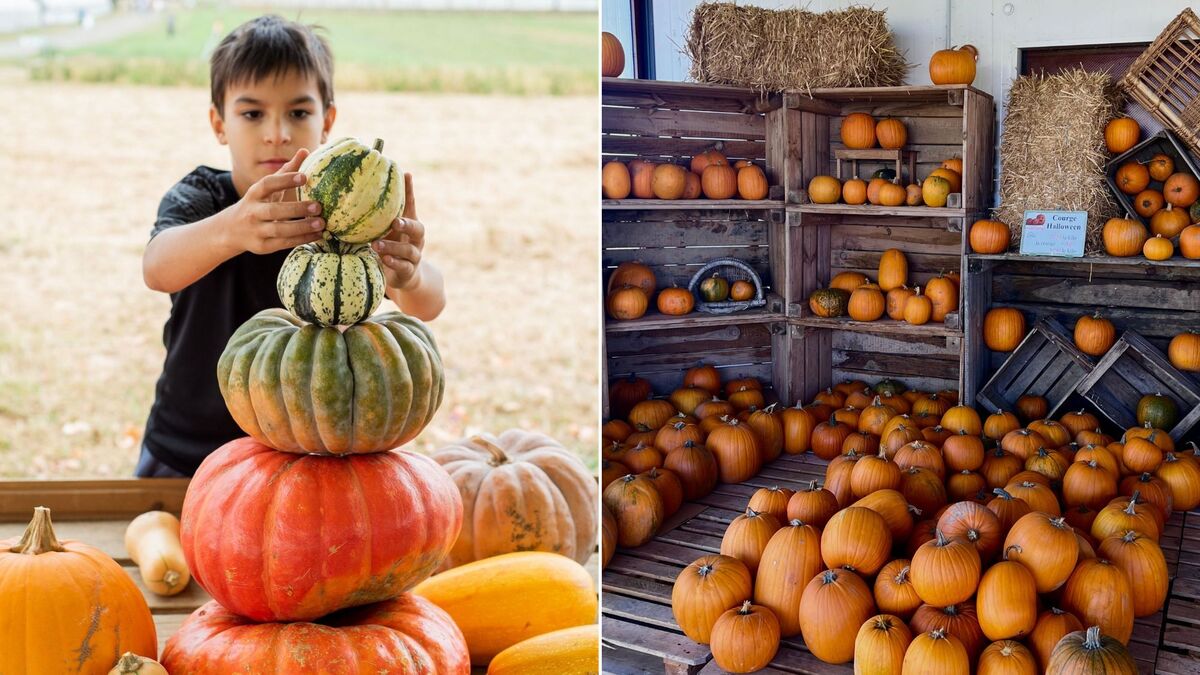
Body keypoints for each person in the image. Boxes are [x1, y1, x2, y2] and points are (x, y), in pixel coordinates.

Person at [136, 15, 445, 477]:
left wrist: (409, 273)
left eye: (298, 113)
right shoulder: (203, 199)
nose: (277, 132)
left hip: (307, 453)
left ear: (328, 122)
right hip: (186, 450)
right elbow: (157, 268)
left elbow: (429, 304)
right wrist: (232, 230)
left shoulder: (344, 219)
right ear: (220, 124)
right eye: (252, 113)